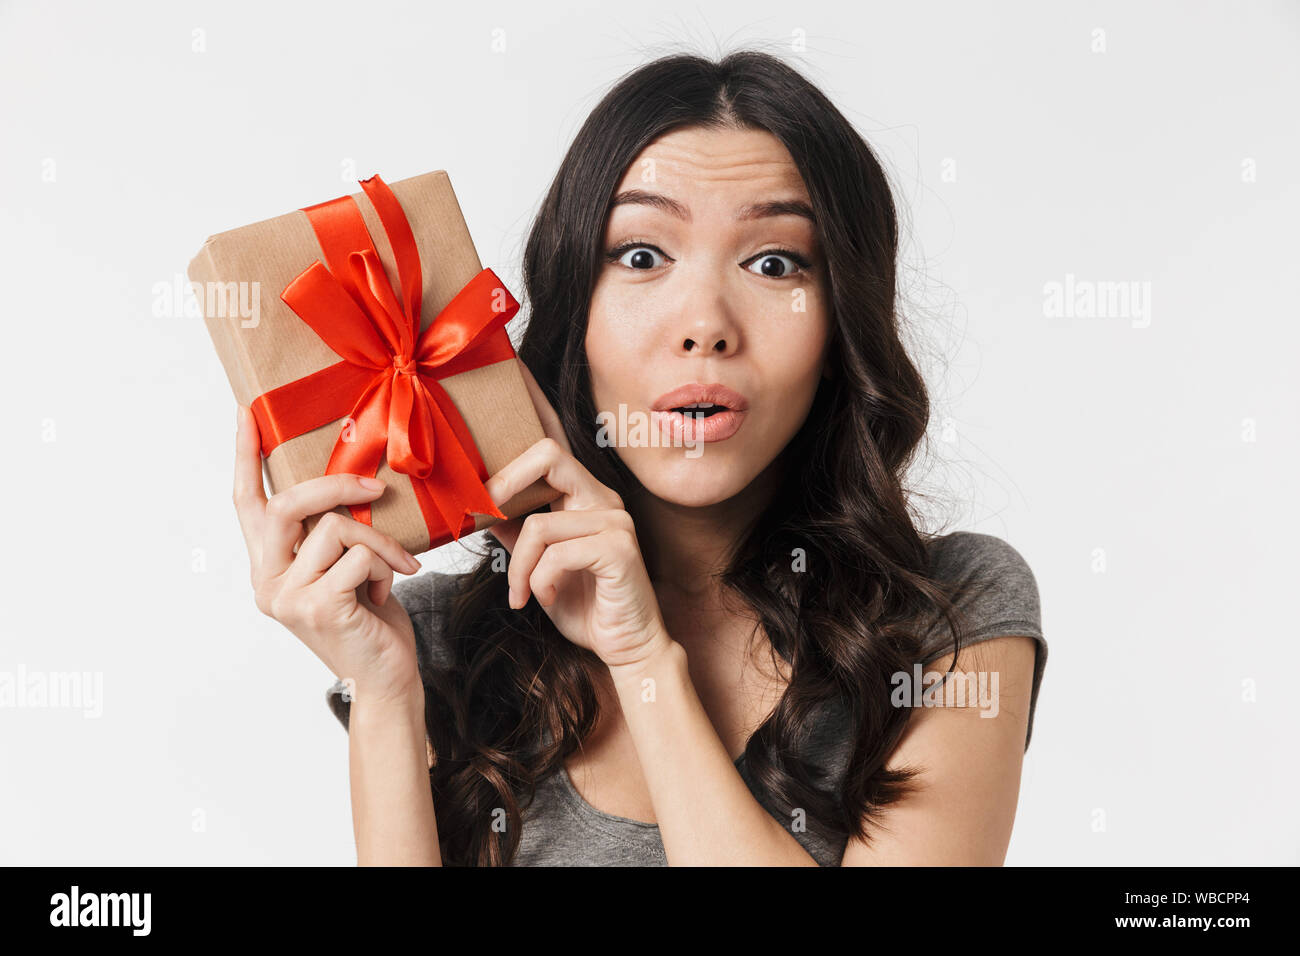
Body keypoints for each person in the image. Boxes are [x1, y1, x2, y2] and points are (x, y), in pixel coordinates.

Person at [231, 50, 1047, 866]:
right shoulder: (441, 646)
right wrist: (382, 697)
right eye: (643, 255)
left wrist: (643, 658)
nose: (705, 324)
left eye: (774, 262)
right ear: (574, 312)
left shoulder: (951, 618)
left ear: (839, 328)